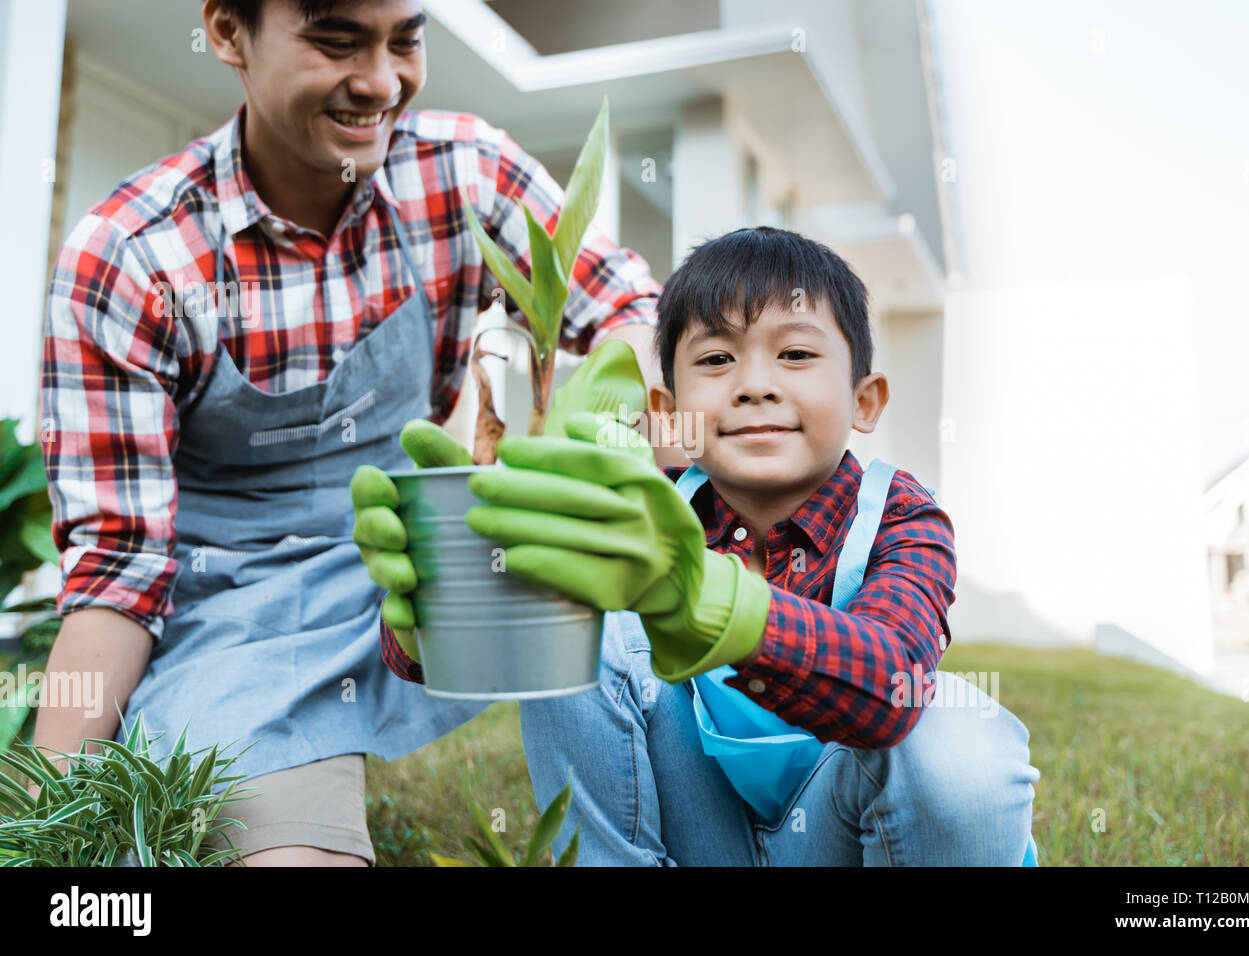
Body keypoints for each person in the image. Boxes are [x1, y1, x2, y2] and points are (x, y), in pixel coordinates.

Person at [34, 0, 662, 867]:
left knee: (645, 660)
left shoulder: (464, 173)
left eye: (406, 39)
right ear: (225, 33)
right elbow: (117, 570)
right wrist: (49, 819)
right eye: (337, 41)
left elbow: (635, 311)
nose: (380, 81)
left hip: (427, 566)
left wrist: (594, 423)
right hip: (239, 623)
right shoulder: (134, 256)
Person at [370, 226, 1041, 865]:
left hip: (843, 843)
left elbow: (893, 683)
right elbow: (515, 639)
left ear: (864, 400)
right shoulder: (645, 512)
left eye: (797, 354)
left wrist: (712, 604)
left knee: (959, 739)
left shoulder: (901, 518)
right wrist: (441, 594)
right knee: (586, 615)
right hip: (704, 837)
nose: (754, 384)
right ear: (668, 412)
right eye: (717, 359)